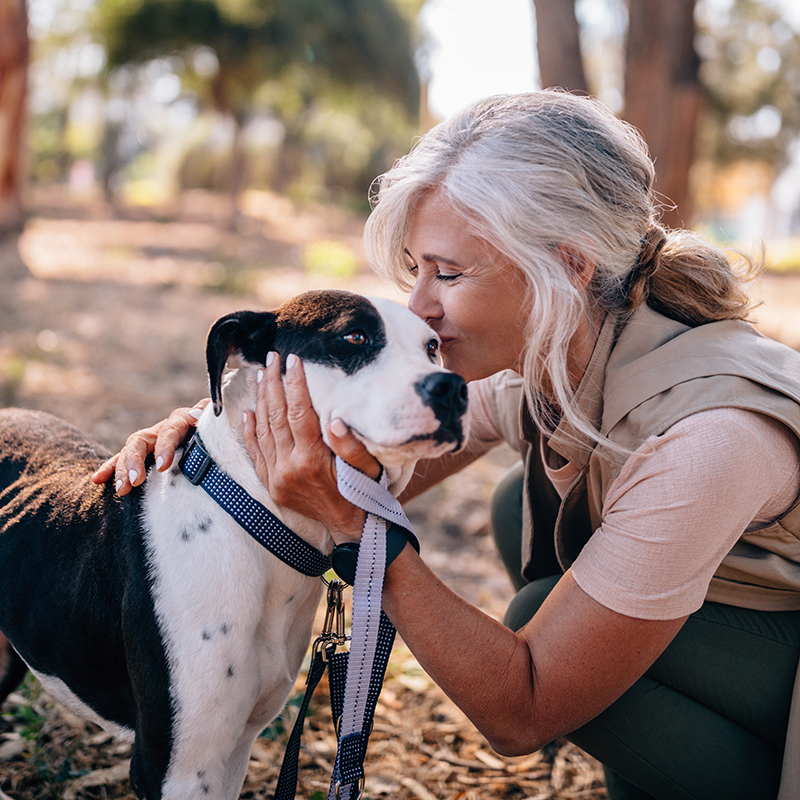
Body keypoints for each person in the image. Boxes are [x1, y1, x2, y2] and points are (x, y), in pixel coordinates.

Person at [92, 90, 800, 800]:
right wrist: (218, 430)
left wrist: (359, 532)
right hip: (759, 628)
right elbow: (371, 442)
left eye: (449, 273)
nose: (419, 305)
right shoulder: (574, 347)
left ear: (568, 267)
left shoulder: (708, 443)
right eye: (416, 269)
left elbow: (522, 711)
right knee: (515, 509)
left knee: (534, 624)